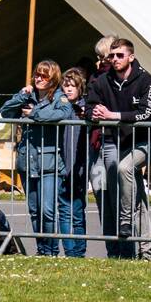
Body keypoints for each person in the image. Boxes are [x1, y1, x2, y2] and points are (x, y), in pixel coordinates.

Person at [85, 37, 151, 259]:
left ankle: (125, 220)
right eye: (111, 56)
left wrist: (112, 116)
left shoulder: (145, 80)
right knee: (138, 199)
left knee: (124, 169)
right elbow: (88, 105)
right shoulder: (103, 80)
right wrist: (94, 113)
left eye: (119, 55)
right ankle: (146, 252)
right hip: (118, 143)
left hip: (144, 143)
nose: (114, 60)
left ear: (131, 57)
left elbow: (147, 113)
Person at [0, 60, 72, 257]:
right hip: (27, 161)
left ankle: (51, 250)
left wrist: (34, 113)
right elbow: (5, 111)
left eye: (44, 75)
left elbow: (61, 114)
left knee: (48, 210)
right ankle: (41, 249)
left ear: (53, 78)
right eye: (37, 75)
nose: (39, 78)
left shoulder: (60, 97)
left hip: (49, 163)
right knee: (34, 210)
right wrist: (21, 95)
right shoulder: (28, 96)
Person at [58, 68, 90, 258]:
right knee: (64, 210)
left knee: (78, 210)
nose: (68, 89)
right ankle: (69, 251)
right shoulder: (60, 107)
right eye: (65, 85)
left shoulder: (85, 108)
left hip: (79, 166)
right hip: (62, 165)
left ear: (80, 88)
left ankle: (79, 250)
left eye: (72, 86)